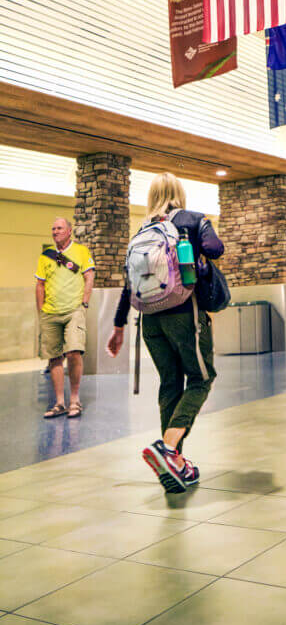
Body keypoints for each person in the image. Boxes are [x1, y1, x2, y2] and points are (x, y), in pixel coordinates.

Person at [106, 173, 223, 493]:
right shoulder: (192, 219)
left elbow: (128, 286)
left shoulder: (141, 232)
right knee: (201, 378)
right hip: (184, 315)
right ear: (179, 193)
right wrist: (199, 236)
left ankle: (175, 467)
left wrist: (118, 326)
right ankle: (169, 450)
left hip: (150, 322)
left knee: (170, 384)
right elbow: (216, 249)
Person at [36, 218, 95, 419]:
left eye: (59, 228)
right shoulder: (46, 256)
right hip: (50, 312)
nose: (55, 231)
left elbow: (89, 276)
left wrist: (84, 302)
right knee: (54, 357)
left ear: (69, 231)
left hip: (74, 310)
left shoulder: (81, 251)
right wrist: (41, 312)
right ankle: (60, 402)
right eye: (53, 228)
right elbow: (39, 285)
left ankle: (75, 399)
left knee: (73, 352)